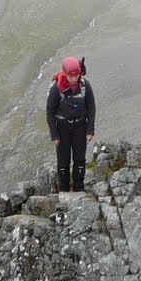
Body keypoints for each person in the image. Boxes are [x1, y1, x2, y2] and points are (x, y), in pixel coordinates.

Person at [45, 56, 95, 193]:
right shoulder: (56, 89)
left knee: (79, 158)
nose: (74, 79)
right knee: (63, 160)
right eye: (71, 76)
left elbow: (91, 107)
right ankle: (64, 188)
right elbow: (50, 112)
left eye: (76, 75)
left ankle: (79, 187)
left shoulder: (85, 86)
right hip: (62, 128)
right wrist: (54, 134)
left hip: (80, 126)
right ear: (65, 74)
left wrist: (90, 129)